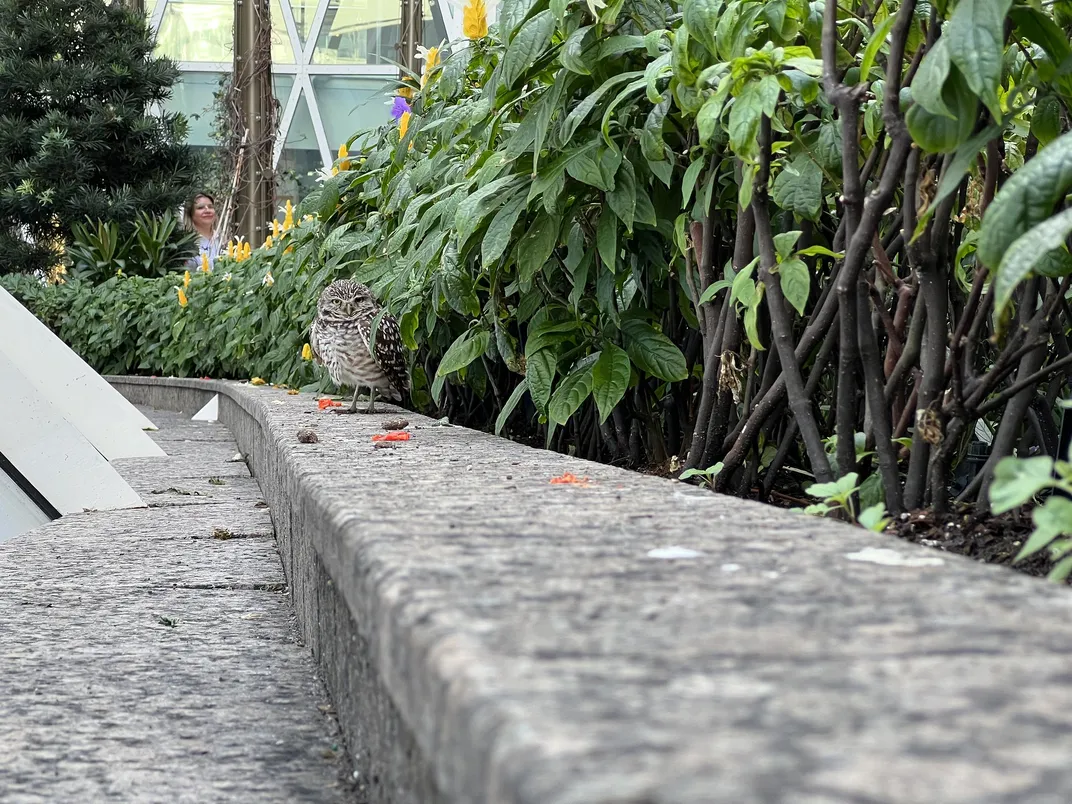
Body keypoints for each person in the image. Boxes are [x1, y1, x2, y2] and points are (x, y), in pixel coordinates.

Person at [184, 192, 221, 270]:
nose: (207, 210)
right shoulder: (186, 243)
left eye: (210, 207)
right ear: (191, 214)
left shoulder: (222, 239)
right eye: (200, 208)